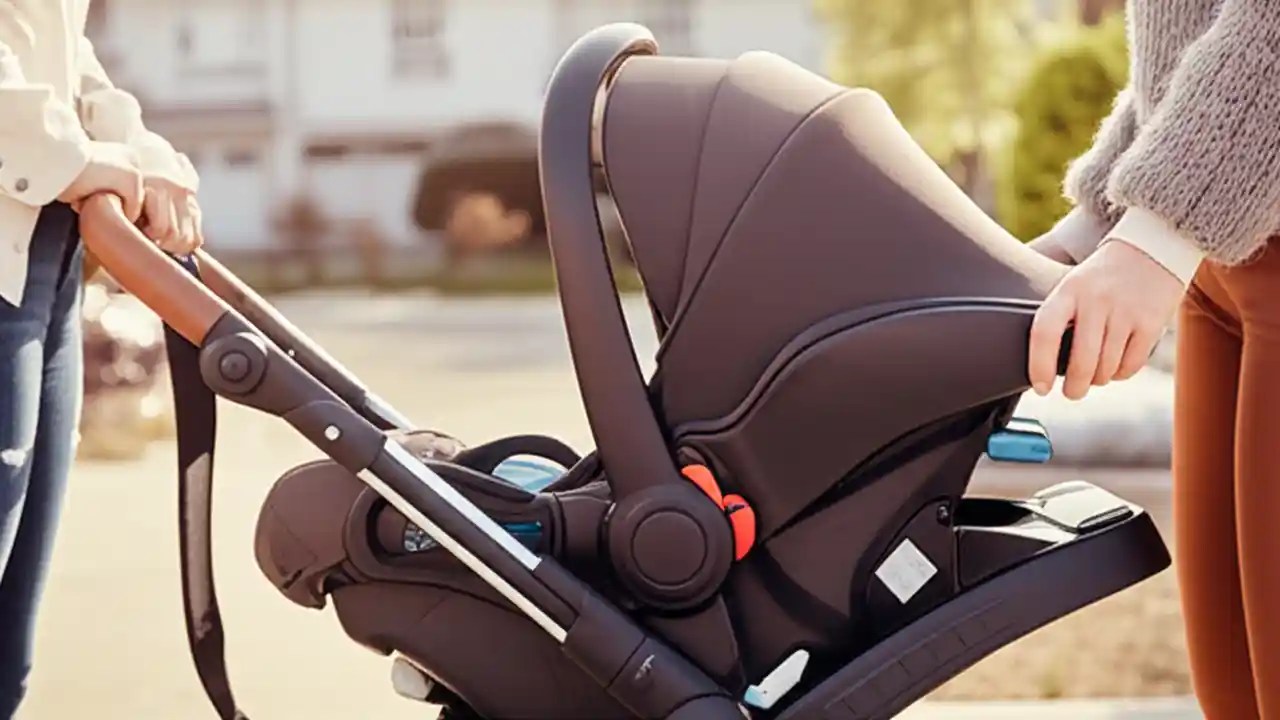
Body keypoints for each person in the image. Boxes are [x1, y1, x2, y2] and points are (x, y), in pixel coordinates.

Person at [1025, 1, 1280, 716]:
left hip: (1212, 237)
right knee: (1235, 698)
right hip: (1216, 267)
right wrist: (1102, 222)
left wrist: (1160, 227)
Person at [0, 2, 202, 716]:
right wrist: (87, 162)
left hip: (47, 263)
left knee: (7, 651)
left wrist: (137, 151)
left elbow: (55, 51)